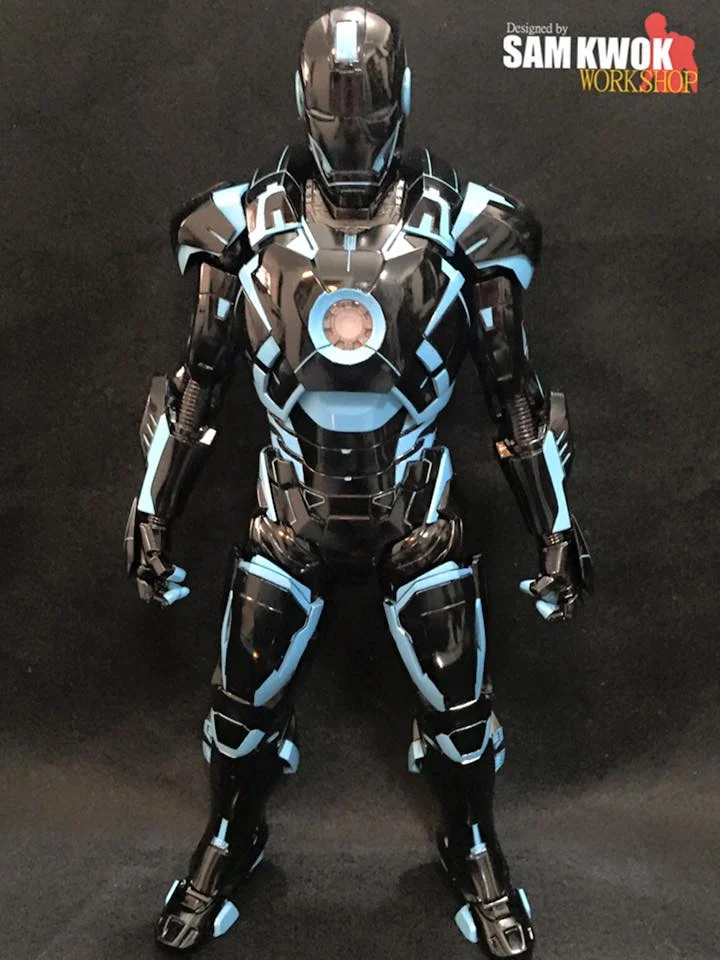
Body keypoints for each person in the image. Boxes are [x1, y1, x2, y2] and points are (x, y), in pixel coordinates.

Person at [124, 7, 592, 956]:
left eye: (366, 112)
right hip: (287, 515)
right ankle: (231, 836)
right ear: (303, 103)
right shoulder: (239, 226)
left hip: (415, 514)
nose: (351, 131)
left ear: (403, 99)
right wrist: (150, 510)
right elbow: (198, 386)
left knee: (461, 716)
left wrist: (555, 526)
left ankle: (472, 843)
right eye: (337, 112)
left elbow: (513, 395)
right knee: (238, 712)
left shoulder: (470, 228)